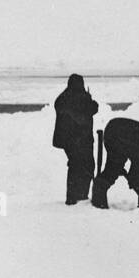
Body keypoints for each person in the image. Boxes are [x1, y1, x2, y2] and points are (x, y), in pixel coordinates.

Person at [91, 117, 139, 217]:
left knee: (113, 167)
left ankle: (99, 193)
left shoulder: (138, 141)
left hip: (112, 129)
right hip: (123, 132)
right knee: (137, 169)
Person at [51, 74, 98, 205]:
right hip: (78, 140)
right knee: (82, 166)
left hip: (71, 140)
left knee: (77, 166)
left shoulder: (64, 97)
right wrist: (89, 101)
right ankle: (76, 196)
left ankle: (76, 195)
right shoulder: (76, 98)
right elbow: (90, 111)